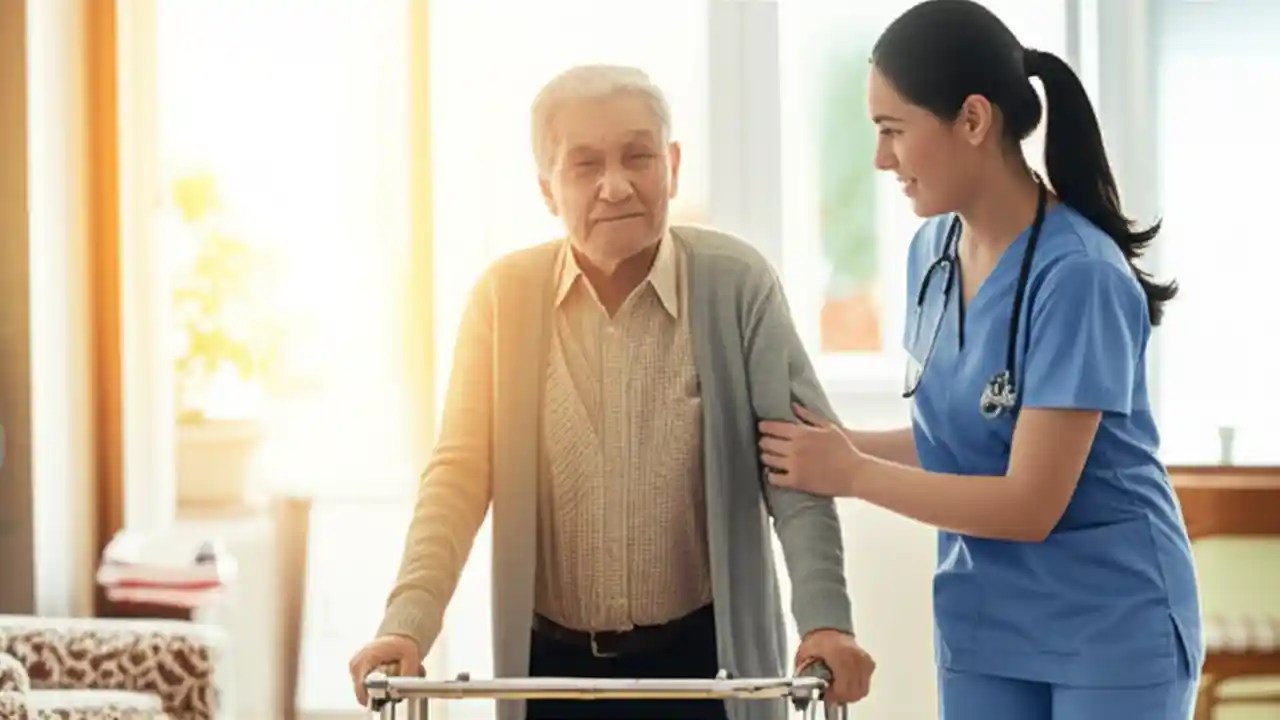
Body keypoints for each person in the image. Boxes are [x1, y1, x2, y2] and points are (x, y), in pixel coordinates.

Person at [347, 64, 875, 720]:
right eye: (584, 165)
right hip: (553, 674)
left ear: (673, 165)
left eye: (638, 156)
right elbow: (456, 479)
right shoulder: (502, 298)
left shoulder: (738, 285)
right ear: (547, 188)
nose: (615, 185)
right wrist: (407, 623)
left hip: (707, 671)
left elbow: (798, 473)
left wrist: (826, 621)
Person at [758, 1, 1201, 718]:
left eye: (892, 130)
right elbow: (962, 439)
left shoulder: (1079, 275)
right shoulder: (929, 255)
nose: (880, 159)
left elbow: (1029, 502)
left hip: (1112, 625)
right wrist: (832, 452)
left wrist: (856, 473)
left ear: (972, 119)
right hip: (985, 621)